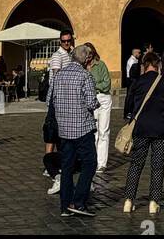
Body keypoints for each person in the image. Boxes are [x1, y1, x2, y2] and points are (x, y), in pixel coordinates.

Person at [122, 50, 164, 216]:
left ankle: (128, 200)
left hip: (141, 129)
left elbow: (128, 106)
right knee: (158, 166)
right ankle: (153, 202)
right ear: (158, 65)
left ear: (144, 66)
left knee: (136, 165)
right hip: (161, 129)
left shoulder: (137, 83)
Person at [50, 41, 99, 218]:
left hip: (64, 129)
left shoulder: (59, 74)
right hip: (82, 128)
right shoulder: (85, 76)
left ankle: (65, 205)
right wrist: (97, 103)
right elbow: (91, 102)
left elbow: (52, 99)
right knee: (90, 163)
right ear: (86, 59)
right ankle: (79, 201)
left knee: (67, 167)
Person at [43, 29, 75, 197]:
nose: (67, 43)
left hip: (65, 100)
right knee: (52, 132)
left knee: (60, 134)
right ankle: (50, 168)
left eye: (69, 40)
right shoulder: (57, 56)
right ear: (59, 42)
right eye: (64, 41)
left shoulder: (70, 55)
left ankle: (58, 164)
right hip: (57, 100)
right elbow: (56, 78)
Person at [90, 48, 113, 173]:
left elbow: (107, 84)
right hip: (90, 99)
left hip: (103, 99)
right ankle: (92, 161)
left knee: (103, 131)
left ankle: (101, 163)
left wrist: (94, 85)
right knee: (93, 131)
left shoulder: (101, 65)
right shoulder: (83, 67)